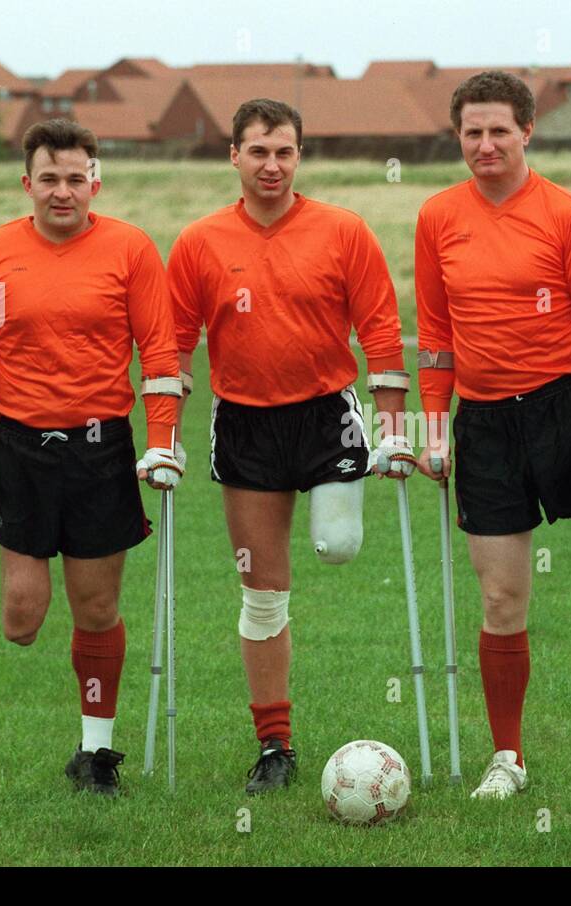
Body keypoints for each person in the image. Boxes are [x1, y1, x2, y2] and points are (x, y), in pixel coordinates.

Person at [166, 99, 412, 795]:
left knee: (337, 547)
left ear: (299, 157)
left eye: (284, 152)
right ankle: (275, 745)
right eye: (257, 151)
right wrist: (164, 439)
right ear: (234, 157)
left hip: (326, 417)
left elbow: (383, 332)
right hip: (244, 426)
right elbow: (173, 346)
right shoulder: (200, 241)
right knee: (263, 593)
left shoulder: (342, 230)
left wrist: (394, 432)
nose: (271, 165)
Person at [0, 119, 183, 798]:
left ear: (94, 180)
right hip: (18, 449)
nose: (63, 191)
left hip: (102, 451)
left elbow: (160, 357)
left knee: (97, 608)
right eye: (50, 178)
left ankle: (96, 752)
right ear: (28, 183)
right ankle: (84, 735)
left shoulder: (131, 250)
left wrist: (162, 442)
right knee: (21, 620)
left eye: (77, 177)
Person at [413, 71, 571, 799]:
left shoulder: (567, 215)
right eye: (472, 132)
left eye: (499, 130)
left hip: (566, 410)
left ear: (527, 130)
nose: (485, 144)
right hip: (486, 422)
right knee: (502, 598)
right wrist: (435, 431)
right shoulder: (438, 216)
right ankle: (508, 758)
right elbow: (436, 340)